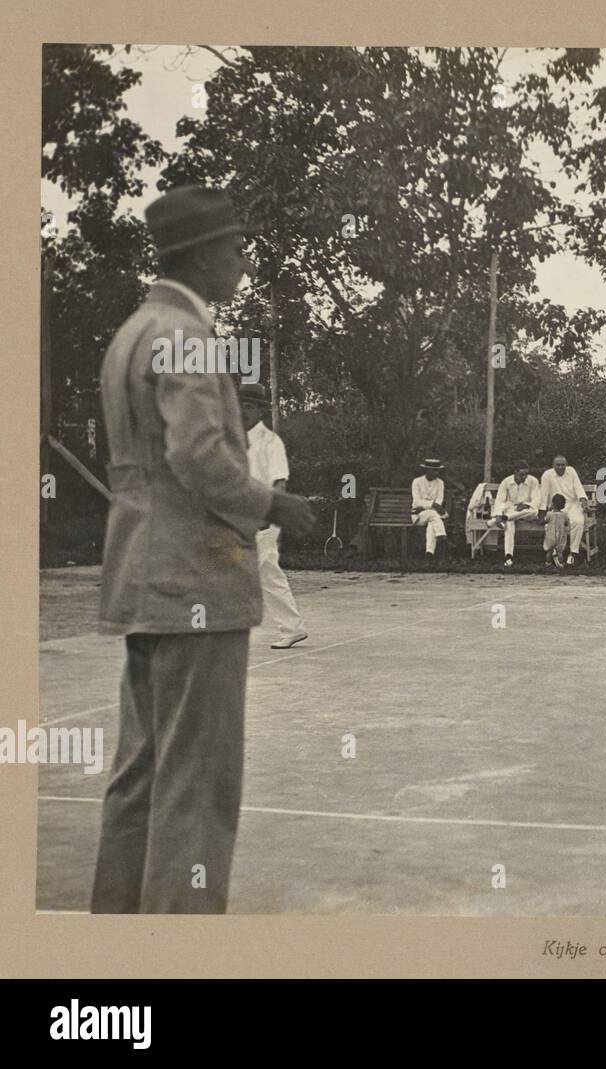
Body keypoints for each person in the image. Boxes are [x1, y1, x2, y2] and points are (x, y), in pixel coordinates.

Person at [92, 186, 315, 914]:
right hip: (197, 585)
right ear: (203, 254)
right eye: (238, 247)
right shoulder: (188, 334)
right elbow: (201, 457)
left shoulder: (133, 331)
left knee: (141, 778)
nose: (245, 263)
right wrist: (271, 502)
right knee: (197, 785)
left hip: (140, 582)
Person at [239, 383, 308, 649]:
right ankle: (293, 627)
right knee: (269, 575)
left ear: (260, 410)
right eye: (240, 405)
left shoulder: (271, 442)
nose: (242, 411)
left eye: (248, 406)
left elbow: (280, 482)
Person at [538, 454, 592, 565]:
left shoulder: (571, 471)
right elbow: (544, 495)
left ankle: (573, 553)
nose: (561, 467)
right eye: (558, 465)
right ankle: (553, 551)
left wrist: (583, 500)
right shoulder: (547, 475)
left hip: (572, 505)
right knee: (551, 525)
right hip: (556, 507)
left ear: (566, 465)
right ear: (553, 465)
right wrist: (542, 512)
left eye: (563, 465)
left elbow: (578, 487)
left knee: (578, 522)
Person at [492, 462, 541, 567]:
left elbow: (536, 500)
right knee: (509, 524)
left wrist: (526, 505)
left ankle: (506, 517)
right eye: (521, 474)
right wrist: (498, 514)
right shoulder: (506, 482)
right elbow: (500, 501)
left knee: (534, 512)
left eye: (526, 474)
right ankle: (508, 556)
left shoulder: (533, 481)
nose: (524, 477)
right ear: (515, 472)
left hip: (527, 512)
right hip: (512, 509)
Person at [411, 458, 449, 563]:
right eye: (433, 470)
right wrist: (432, 504)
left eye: (437, 470)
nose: (436, 473)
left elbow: (439, 501)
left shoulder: (440, 483)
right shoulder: (417, 482)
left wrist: (426, 506)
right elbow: (417, 501)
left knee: (432, 525)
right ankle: (442, 536)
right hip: (418, 516)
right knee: (434, 515)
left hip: (433, 515)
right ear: (426, 471)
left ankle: (429, 554)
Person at [543, 494, 570, 568]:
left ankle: (548, 563)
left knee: (549, 550)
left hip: (550, 535)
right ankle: (561, 564)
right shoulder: (564, 514)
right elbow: (566, 523)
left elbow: (545, 520)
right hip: (560, 535)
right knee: (559, 551)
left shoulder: (549, 514)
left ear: (553, 503)